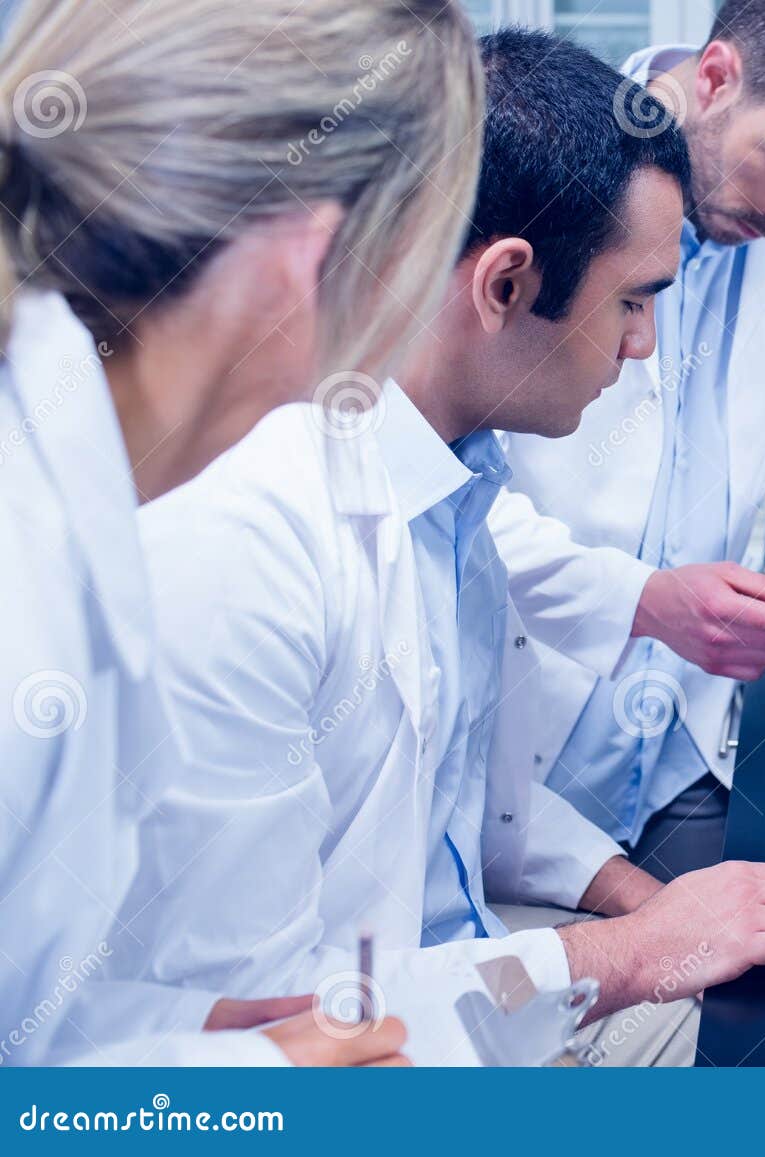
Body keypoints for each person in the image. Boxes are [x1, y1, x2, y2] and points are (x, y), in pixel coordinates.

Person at [105, 29, 765, 1068]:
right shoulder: (254, 546)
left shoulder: (452, 488)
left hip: (453, 979)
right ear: (505, 284)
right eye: (634, 301)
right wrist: (638, 952)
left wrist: (646, 902)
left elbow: (458, 800)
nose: (644, 347)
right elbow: (277, 1035)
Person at [0, 0, 483, 1065]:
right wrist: (242, 1080)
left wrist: (171, 1033)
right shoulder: (24, 599)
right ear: (305, 267)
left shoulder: (66, 482)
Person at [488, 0, 765, 882]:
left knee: (762, 981)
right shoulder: (547, 166)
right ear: (717, 77)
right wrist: (641, 599)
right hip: (519, 731)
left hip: (682, 748)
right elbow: (447, 489)